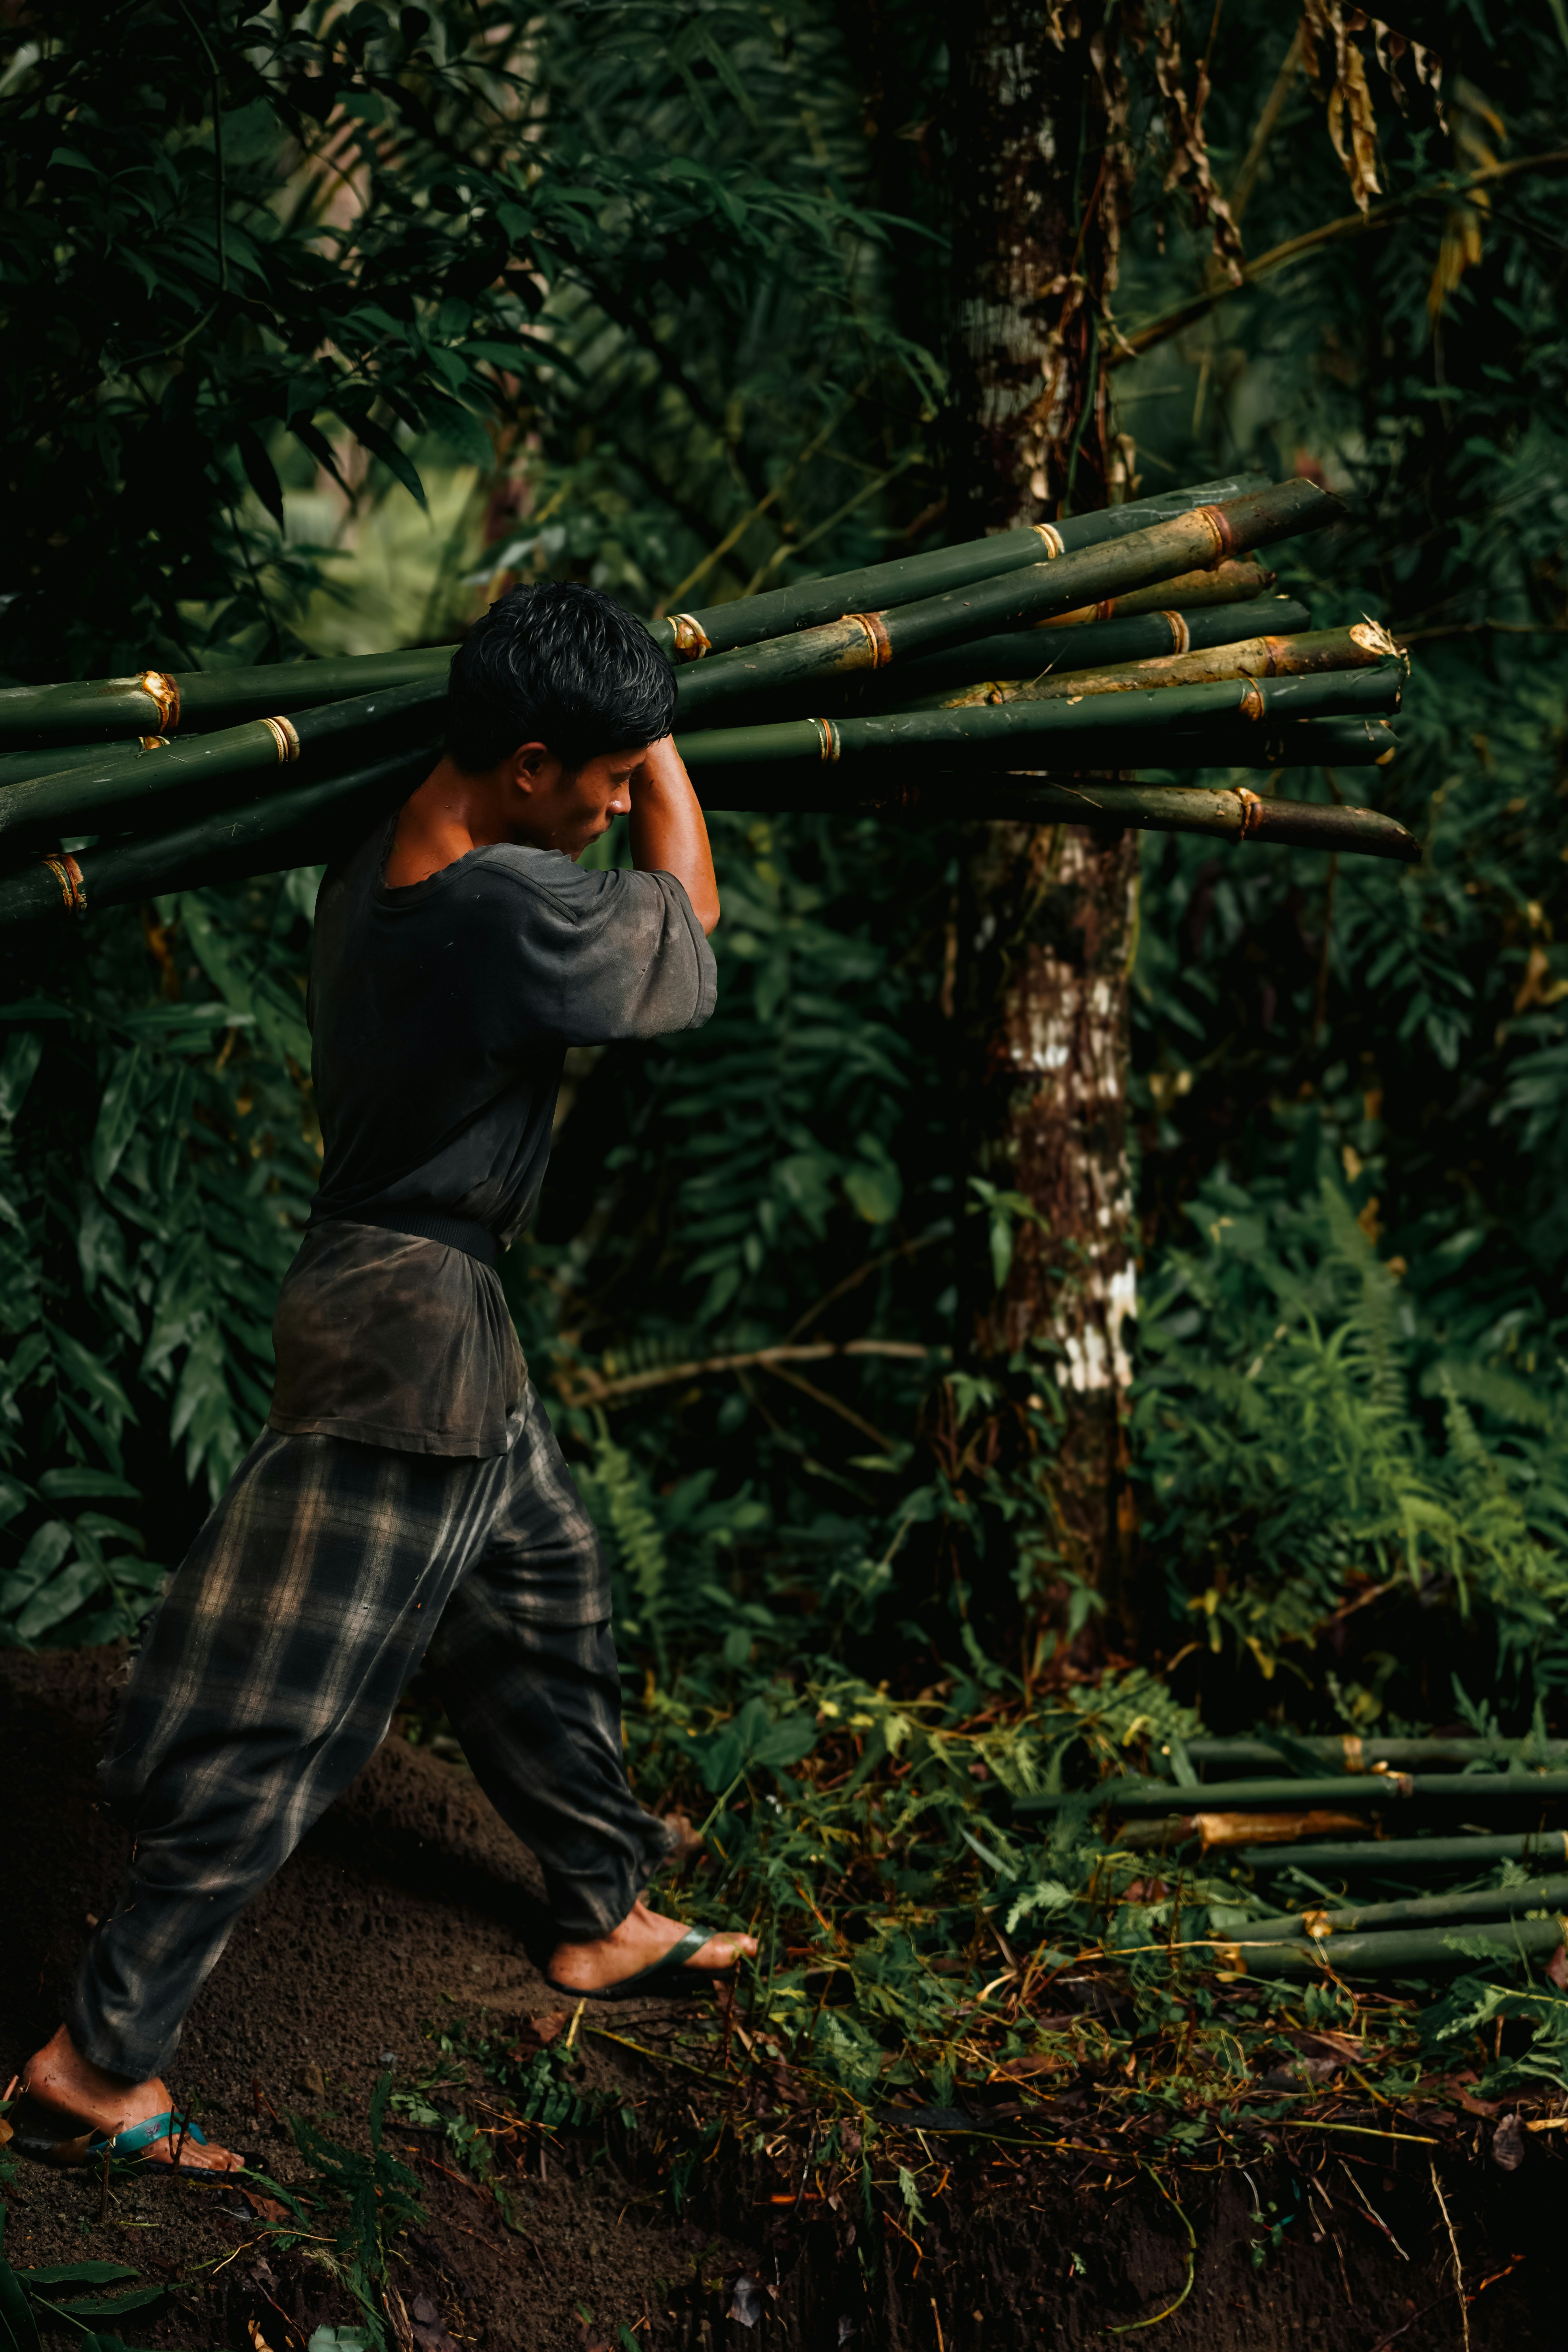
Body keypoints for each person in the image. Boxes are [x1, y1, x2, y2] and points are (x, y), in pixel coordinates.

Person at [11, 582, 754, 2176]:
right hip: (406, 1339)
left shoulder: (385, 826)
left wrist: (619, 716)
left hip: (428, 1311)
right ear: (532, 763)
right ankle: (98, 2066)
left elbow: (598, 852)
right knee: (286, 1709)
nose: (617, 803)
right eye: (605, 778)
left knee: (542, 1593)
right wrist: (669, 737)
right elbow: (685, 937)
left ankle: (603, 1907)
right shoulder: (493, 906)